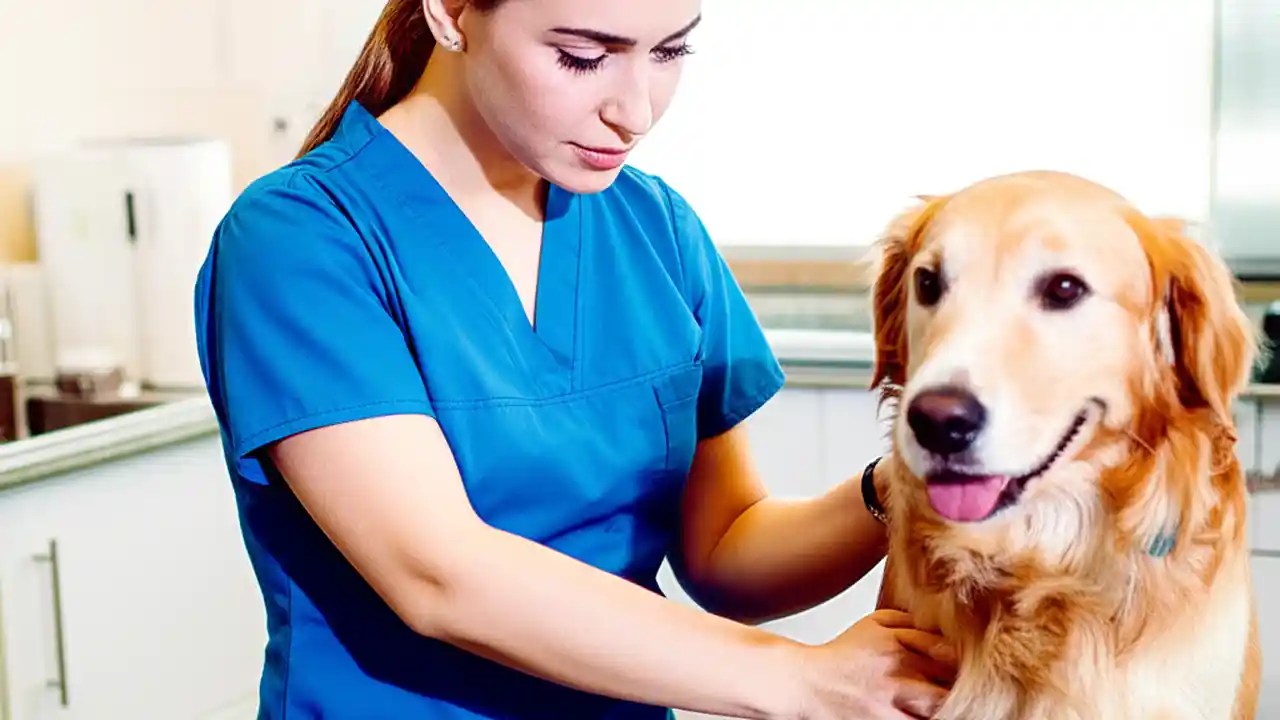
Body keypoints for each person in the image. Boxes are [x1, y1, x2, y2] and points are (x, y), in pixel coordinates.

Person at [192, 0, 956, 718]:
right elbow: (438, 574)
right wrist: (802, 680)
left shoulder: (655, 227)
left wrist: (904, 484)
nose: (637, 110)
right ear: (452, 12)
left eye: (670, 50)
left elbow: (726, 551)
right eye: (583, 56)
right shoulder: (301, 239)